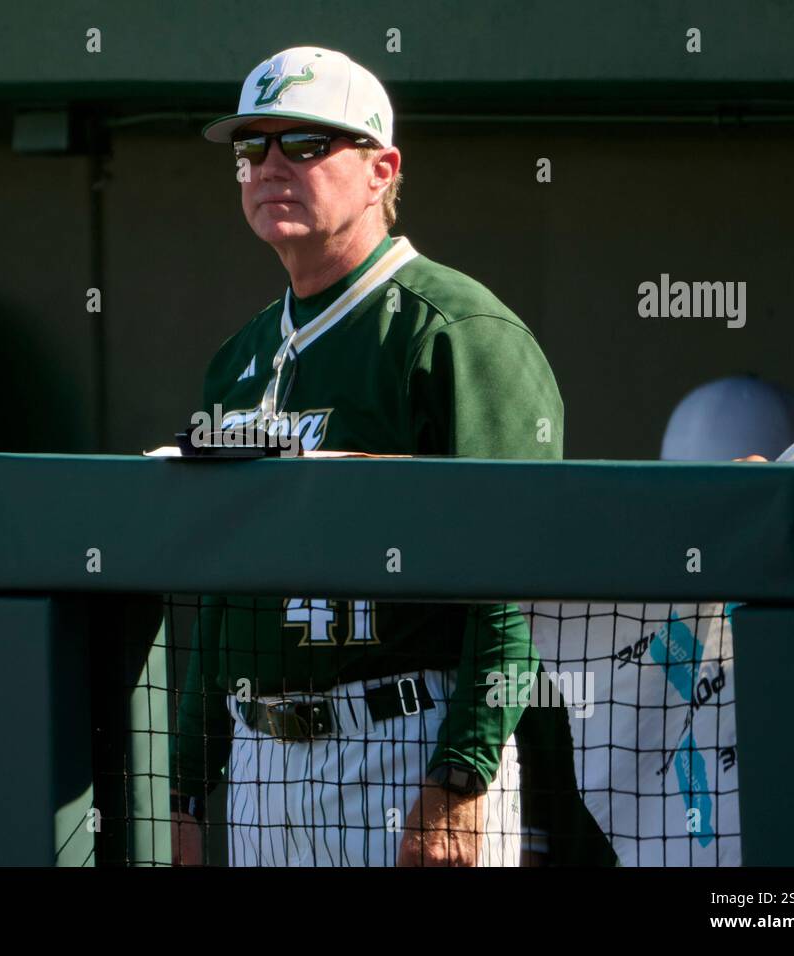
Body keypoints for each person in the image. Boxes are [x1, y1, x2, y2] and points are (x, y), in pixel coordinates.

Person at [169, 45, 578, 867]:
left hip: (404, 741)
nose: (271, 165)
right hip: (261, 765)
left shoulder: (455, 331)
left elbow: (514, 579)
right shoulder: (237, 357)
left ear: (381, 168)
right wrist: (181, 789)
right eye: (254, 148)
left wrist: (460, 780)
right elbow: (221, 592)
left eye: (308, 144)